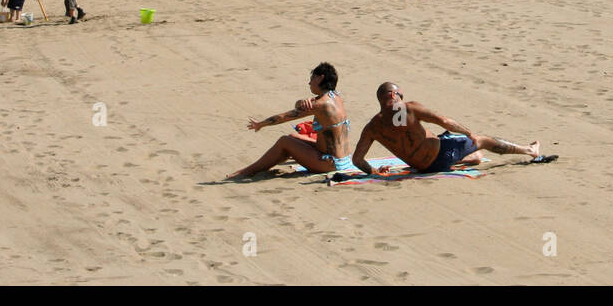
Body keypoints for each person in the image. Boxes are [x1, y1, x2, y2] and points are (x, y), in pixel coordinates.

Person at [350, 82, 549, 176]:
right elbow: (444, 121)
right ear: (393, 95)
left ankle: (472, 155)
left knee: (465, 150)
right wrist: (468, 132)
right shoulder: (408, 107)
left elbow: (357, 160)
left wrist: (374, 171)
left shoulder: (372, 127)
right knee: (482, 140)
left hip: (421, 167)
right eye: (400, 93)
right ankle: (529, 151)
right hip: (440, 157)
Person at [226, 63, 352, 179]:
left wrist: (261, 124)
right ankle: (267, 163)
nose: (309, 83)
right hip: (344, 159)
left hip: (331, 164)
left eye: (312, 79)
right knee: (292, 137)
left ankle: (248, 171)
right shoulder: (335, 97)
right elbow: (301, 106)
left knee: (284, 141)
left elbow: (284, 117)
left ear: (320, 78)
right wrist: (302, 102)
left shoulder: (319, 104)